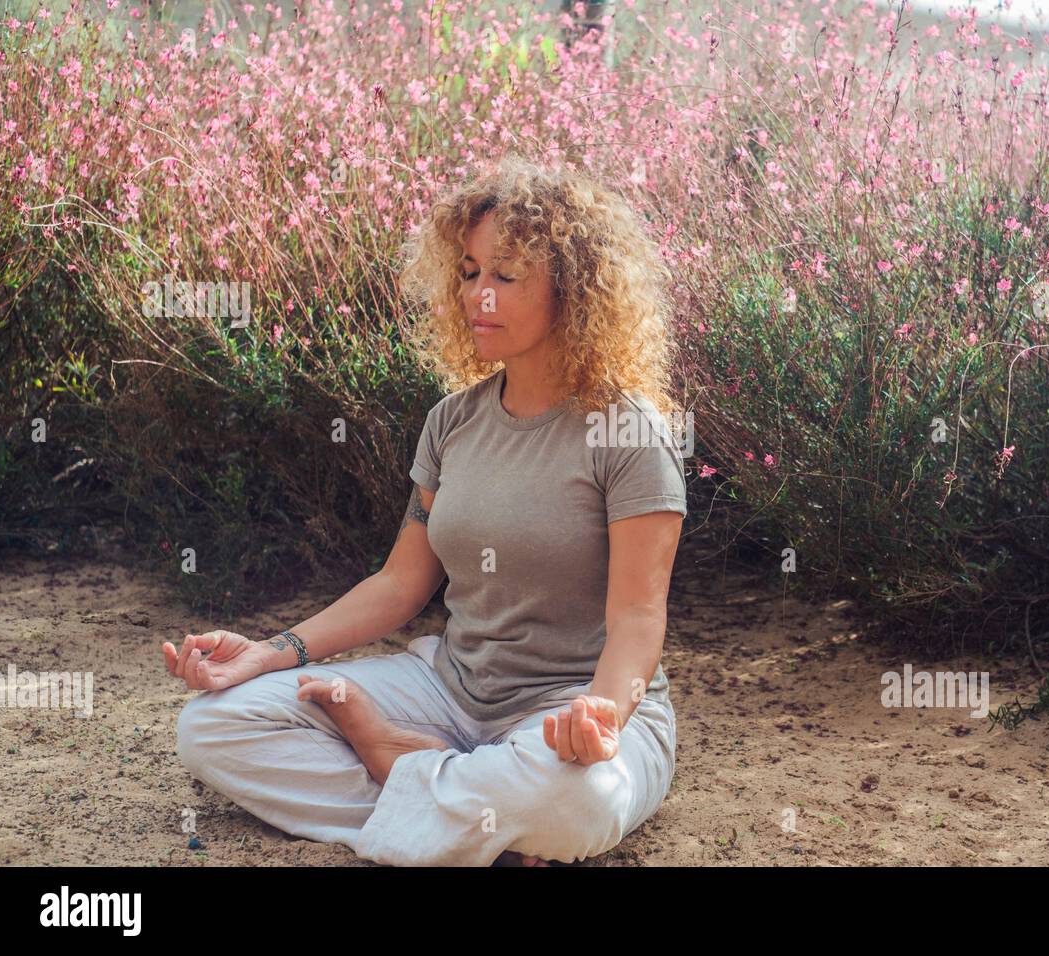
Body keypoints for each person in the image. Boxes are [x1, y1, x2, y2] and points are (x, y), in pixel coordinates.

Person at [164, 155, 689, 867]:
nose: (479, 295)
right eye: (469, 272)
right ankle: (473, 817)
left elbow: (637, 618)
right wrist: (270, 651)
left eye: (506, 274)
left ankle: (409, 776)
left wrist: (599, 718)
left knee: (580, 801)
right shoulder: (451, 423)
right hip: (449, 690)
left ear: (571, 287)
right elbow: (401, 584)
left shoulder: (628, 433)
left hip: (570, 708)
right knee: (216, 724)